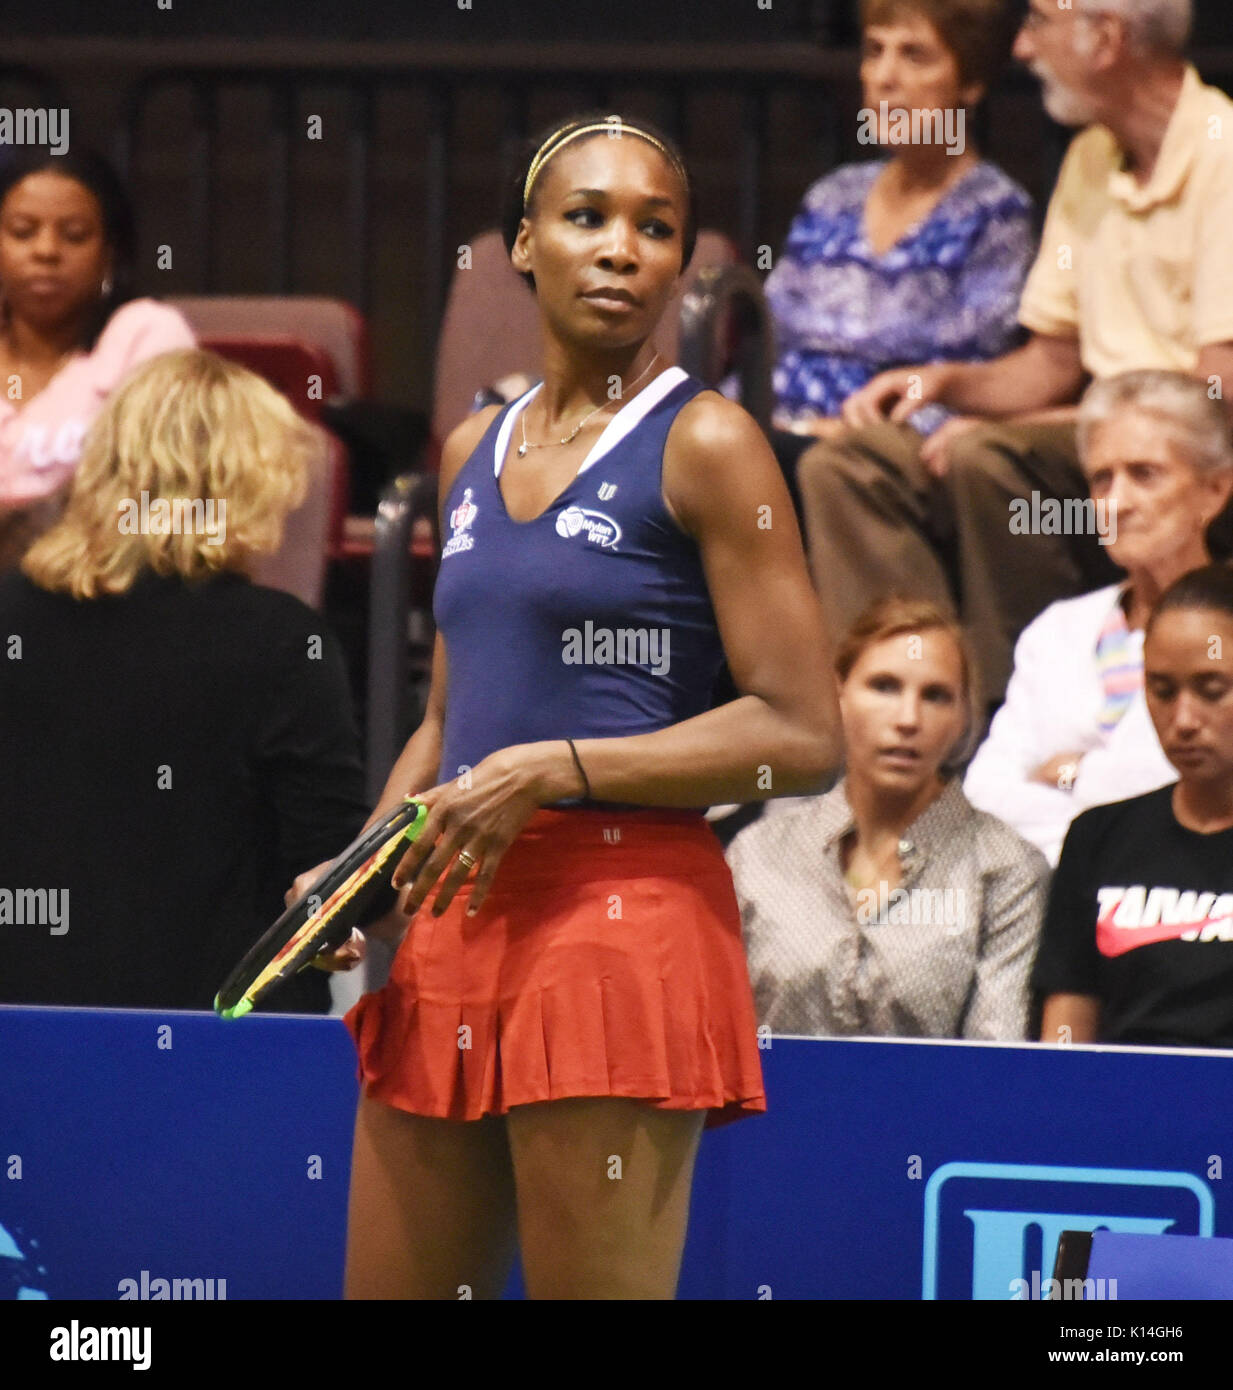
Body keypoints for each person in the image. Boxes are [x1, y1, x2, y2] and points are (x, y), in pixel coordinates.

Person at [310, 112, 838, 1300]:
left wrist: (560, 766)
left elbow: (802, 738)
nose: (621, 249)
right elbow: (452, 725)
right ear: (522, 246)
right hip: (452, 922)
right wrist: (361, 865)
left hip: (618, 933)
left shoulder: (711, 444)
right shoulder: (464, 452)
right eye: (587, 217)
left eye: (657, 229)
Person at [797, 0, 1233, 702]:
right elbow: (1049, 363)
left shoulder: (1222, 153)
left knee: (985, 459)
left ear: (1105, 38)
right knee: (851, 462)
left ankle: (1012, 718)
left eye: (1037, 23)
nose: (1023, 49)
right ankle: (904, 710)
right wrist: (941, 384)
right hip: (1091, 426)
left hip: (1196, 443)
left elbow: (1215, 392)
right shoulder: (1093, 156)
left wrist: (1023, 427)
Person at [0, 348, 368, 1011]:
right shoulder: (284, 644)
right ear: (254, 484)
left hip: (23, 1034)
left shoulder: (11, 615)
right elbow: (325, 870)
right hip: (223, 1039)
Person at [726, 597, 1047, 1040]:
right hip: (776, 1109)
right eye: (884, 686)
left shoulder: (1005, 869)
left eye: (936, 696)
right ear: (838, 694)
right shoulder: (758, 854)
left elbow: (992, 1067)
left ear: (963, 717)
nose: (908, 719)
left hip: (936, 1108)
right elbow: (720, 1036)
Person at [965, 371, 1233, 864]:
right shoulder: (1056, 631)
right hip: (1045, 891)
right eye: (1101, 479)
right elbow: (985, 792)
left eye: (1144, 474)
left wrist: (1073, 775)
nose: (1115, 503)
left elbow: (1198, 788)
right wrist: (1107, 817)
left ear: (1214, 491)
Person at [766, 0, 1031, 458]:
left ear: (970, 83)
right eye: (874, 51)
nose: (885, 77)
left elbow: (976, 391)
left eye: (914, 56)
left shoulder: (994, 214)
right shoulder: (833, 196)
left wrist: (841, 435)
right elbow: (769, 342)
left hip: (883, 459)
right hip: (775, 436)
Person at [1034, 563, 1233, 1050]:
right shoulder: (1097, 838)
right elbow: (1064, 1036)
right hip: (1119, 1115)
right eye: (1163, 691)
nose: (1183, 720)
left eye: (1211, 690)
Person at [0, 148, 195, 567]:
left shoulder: (147, 335)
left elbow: (157, 503)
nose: (46, 251)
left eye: (74, 235)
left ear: (110, 252)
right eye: (22, 232)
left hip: (105, 592)